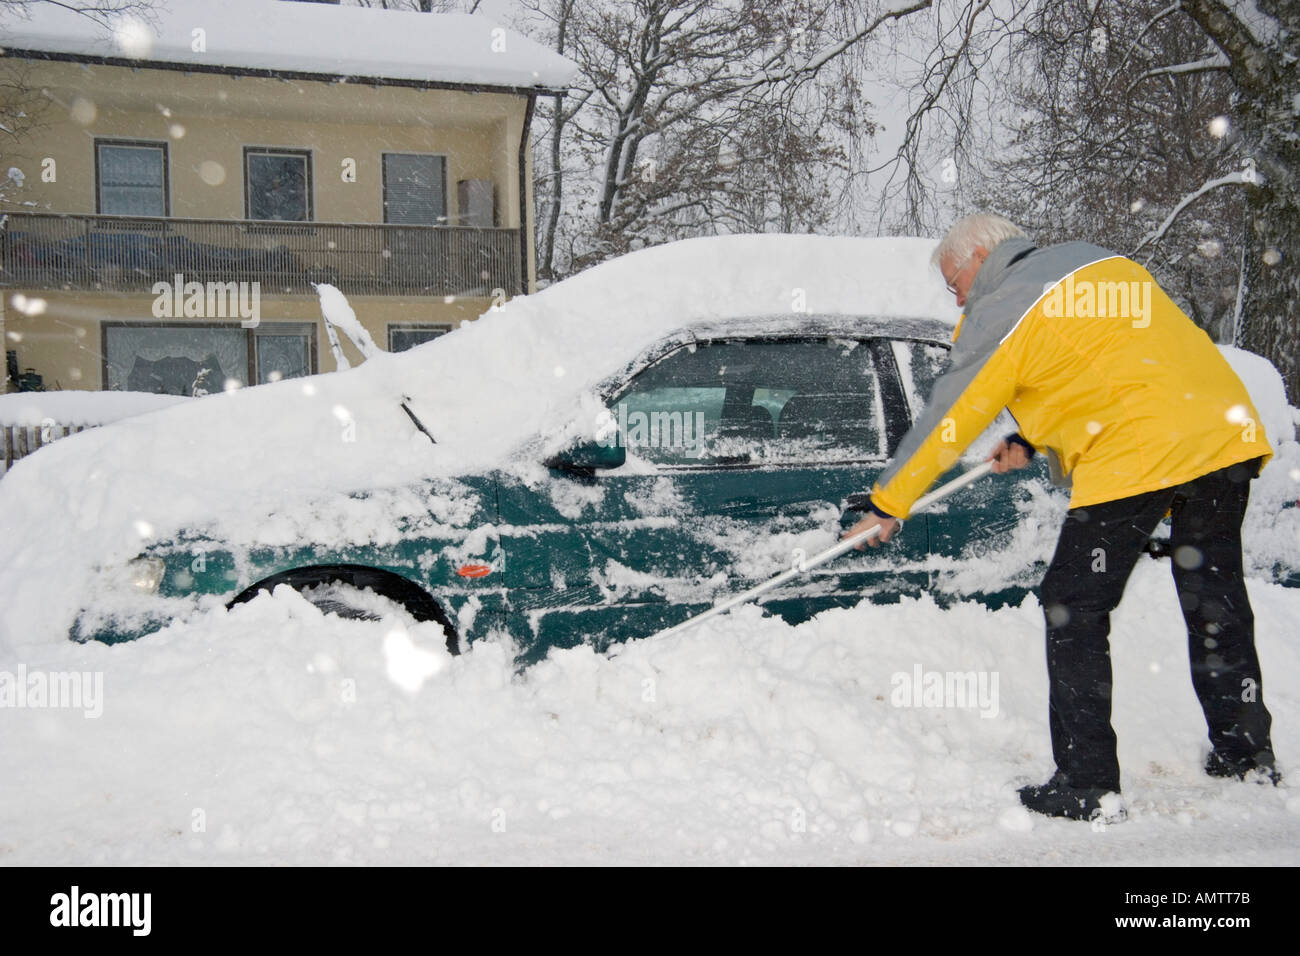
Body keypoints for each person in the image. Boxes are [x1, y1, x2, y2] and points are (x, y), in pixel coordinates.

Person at [842, 213, 1279, 821]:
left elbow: (951, 415)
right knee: (1214, 598)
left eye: (954, 283)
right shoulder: (1098, 260)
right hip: (1221, 436)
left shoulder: (1002, 306)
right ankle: (1246, 755)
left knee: (1071, 604)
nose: (957, 298)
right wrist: (1031, 438)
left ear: (979, 259)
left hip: (1140, 453)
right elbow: (1110, 367)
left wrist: (888, 503)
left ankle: (1086, 782)